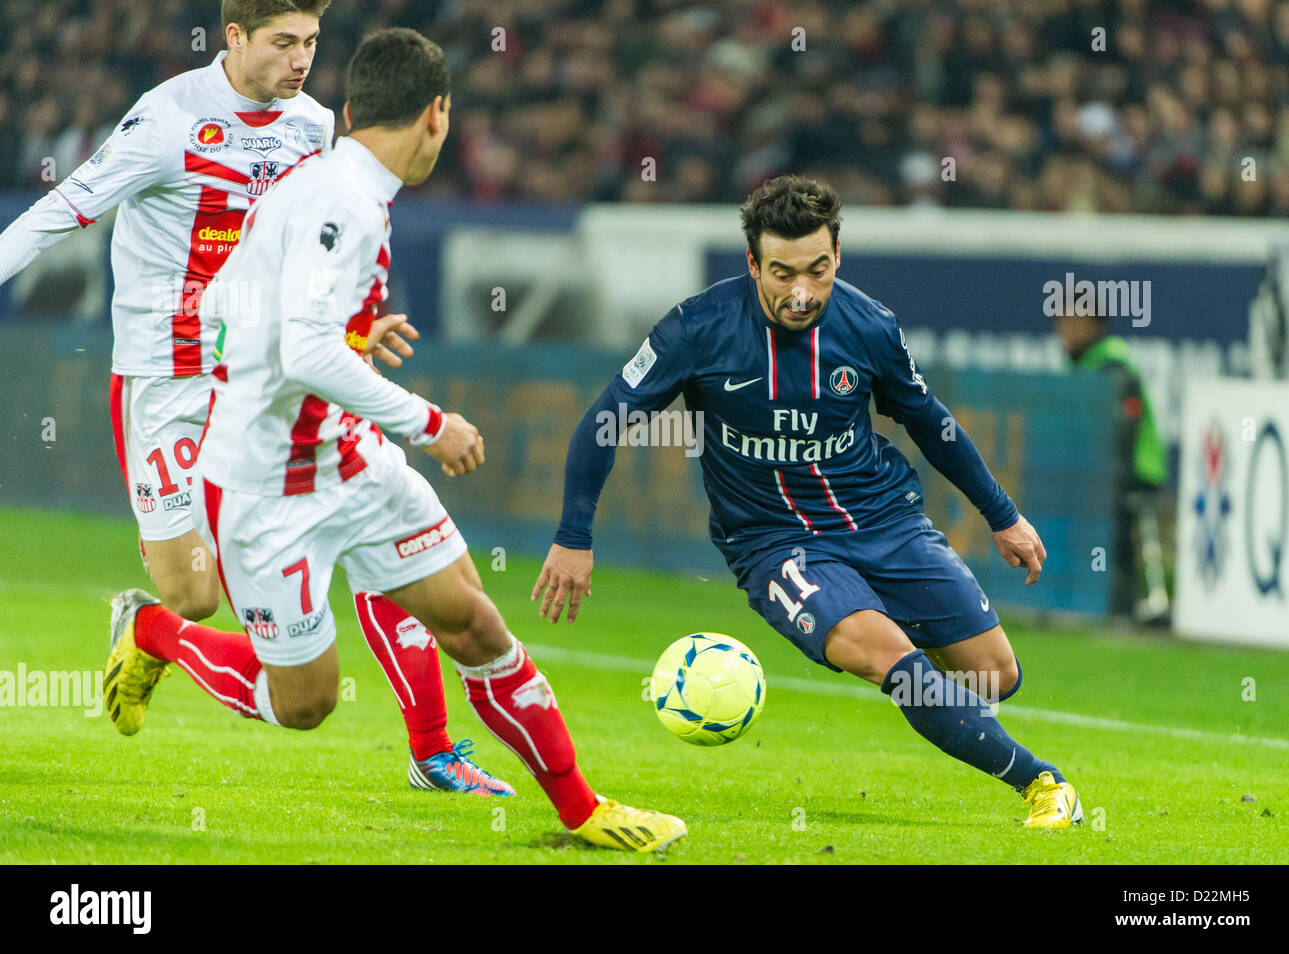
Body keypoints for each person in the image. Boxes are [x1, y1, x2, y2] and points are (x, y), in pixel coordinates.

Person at [105, 27, 686, 852]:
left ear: (349, 109)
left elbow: (230, 305)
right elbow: (296, 346)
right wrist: (429, 422)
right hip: (267, 489)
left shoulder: (333, 185)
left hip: (352, 463)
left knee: (474, 625)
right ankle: (156, 633)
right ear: (438, 116)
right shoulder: (342, 199)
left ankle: (583, 810)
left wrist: (346, 338)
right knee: (303, 703)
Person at [0, 0, 510, 795]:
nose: (302, 59)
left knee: (369, 526)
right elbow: (64, 208)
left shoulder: (312, 126)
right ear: (233, 38)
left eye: (311, 42)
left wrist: (352, 330)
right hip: (166, 376)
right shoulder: (168, 121)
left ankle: (433, 748)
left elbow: (318, 246)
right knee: (192, 593)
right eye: (283, 42)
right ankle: (152, 626)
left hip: (268, 377)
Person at [534, 175, 1083, 828]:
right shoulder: (696, 329)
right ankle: (1043, 784)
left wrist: (1003, 516)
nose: (801, 292)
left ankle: (883, 627)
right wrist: (574, 535)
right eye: (783, 272)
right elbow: (605, 421)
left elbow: (931, 423)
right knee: (896, 665)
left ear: (838, 257)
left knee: (994, 677)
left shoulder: (870, 327)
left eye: (818, 270)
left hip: (884, 520)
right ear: (752, 265)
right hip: (774, 542)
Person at [1054, 304, 1169, 621]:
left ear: (1091, 325)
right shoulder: (1084, 363)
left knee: (1115, 535)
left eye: (1069, 322)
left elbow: (1121, 425)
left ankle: (1121, 609)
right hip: (1104, 471)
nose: (1062, 331)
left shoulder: (1113, 363)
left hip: (1134, 468)